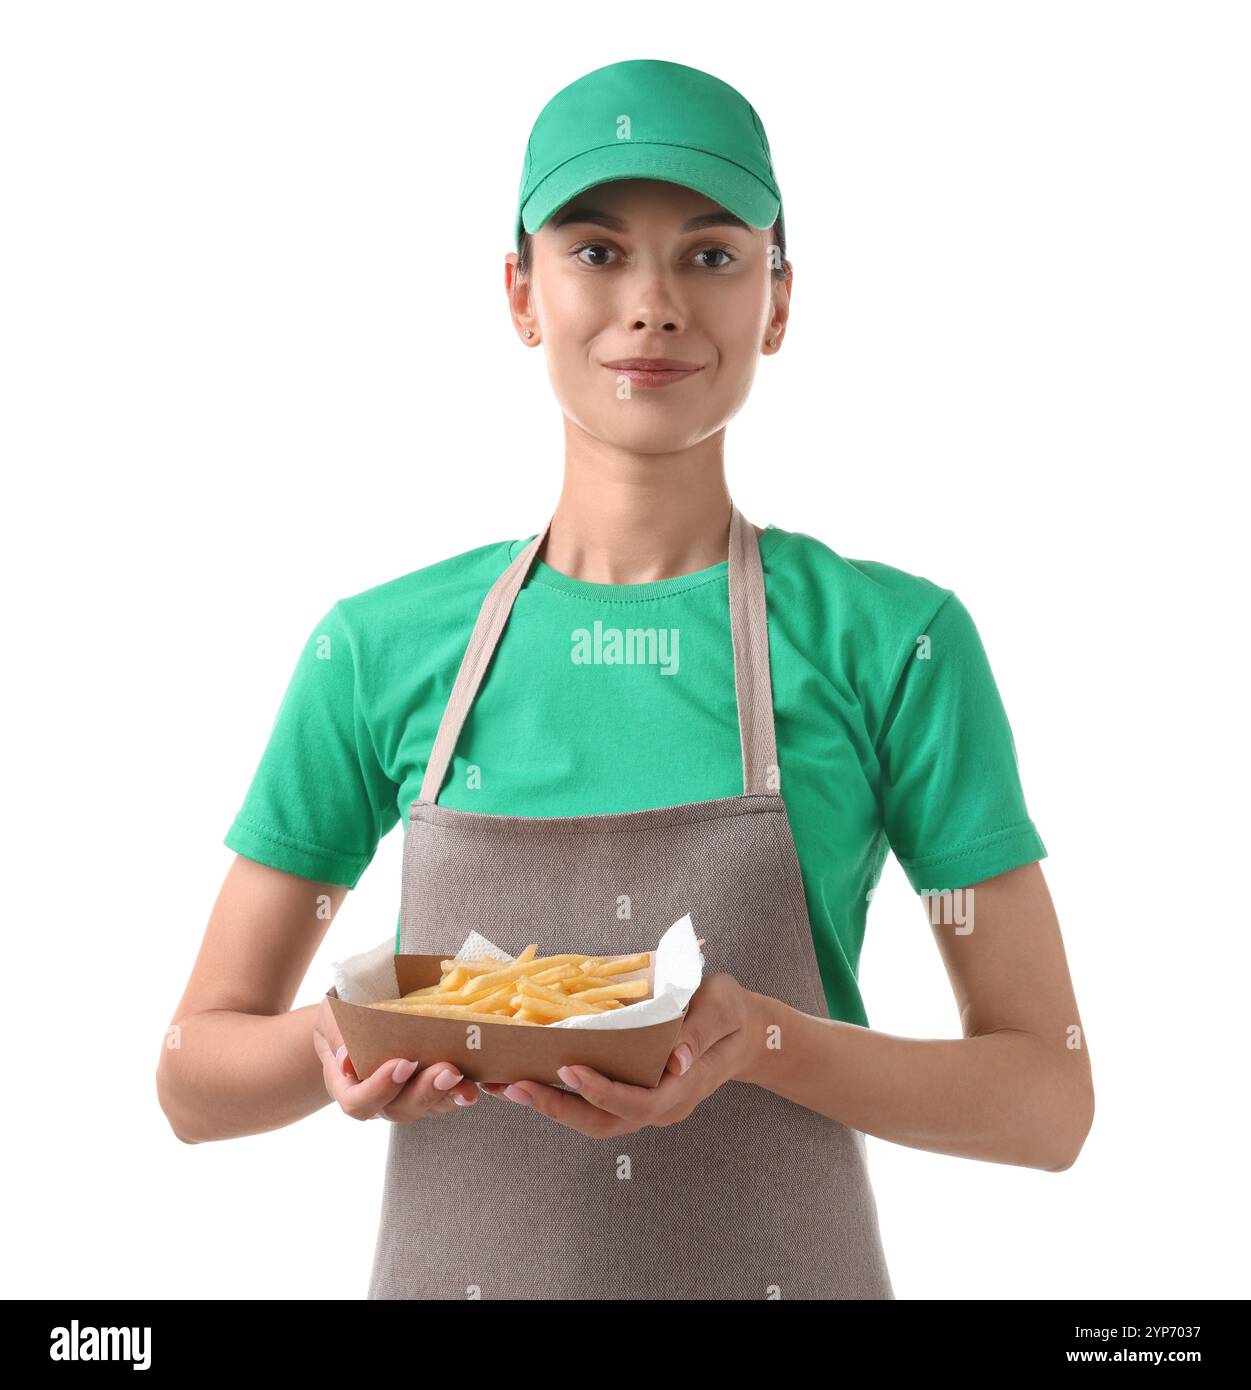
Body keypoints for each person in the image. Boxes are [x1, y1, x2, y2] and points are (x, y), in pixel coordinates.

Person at [157, 58, 1093, 1300]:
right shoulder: (378, 647)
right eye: (595, 251)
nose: (652, 304)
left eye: (711, 255)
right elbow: (192, 1073)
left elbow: (1047, 1101)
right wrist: (358, 1036)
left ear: (778, 300)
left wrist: (760, 1038)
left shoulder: (896, 641)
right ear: (518, 292)